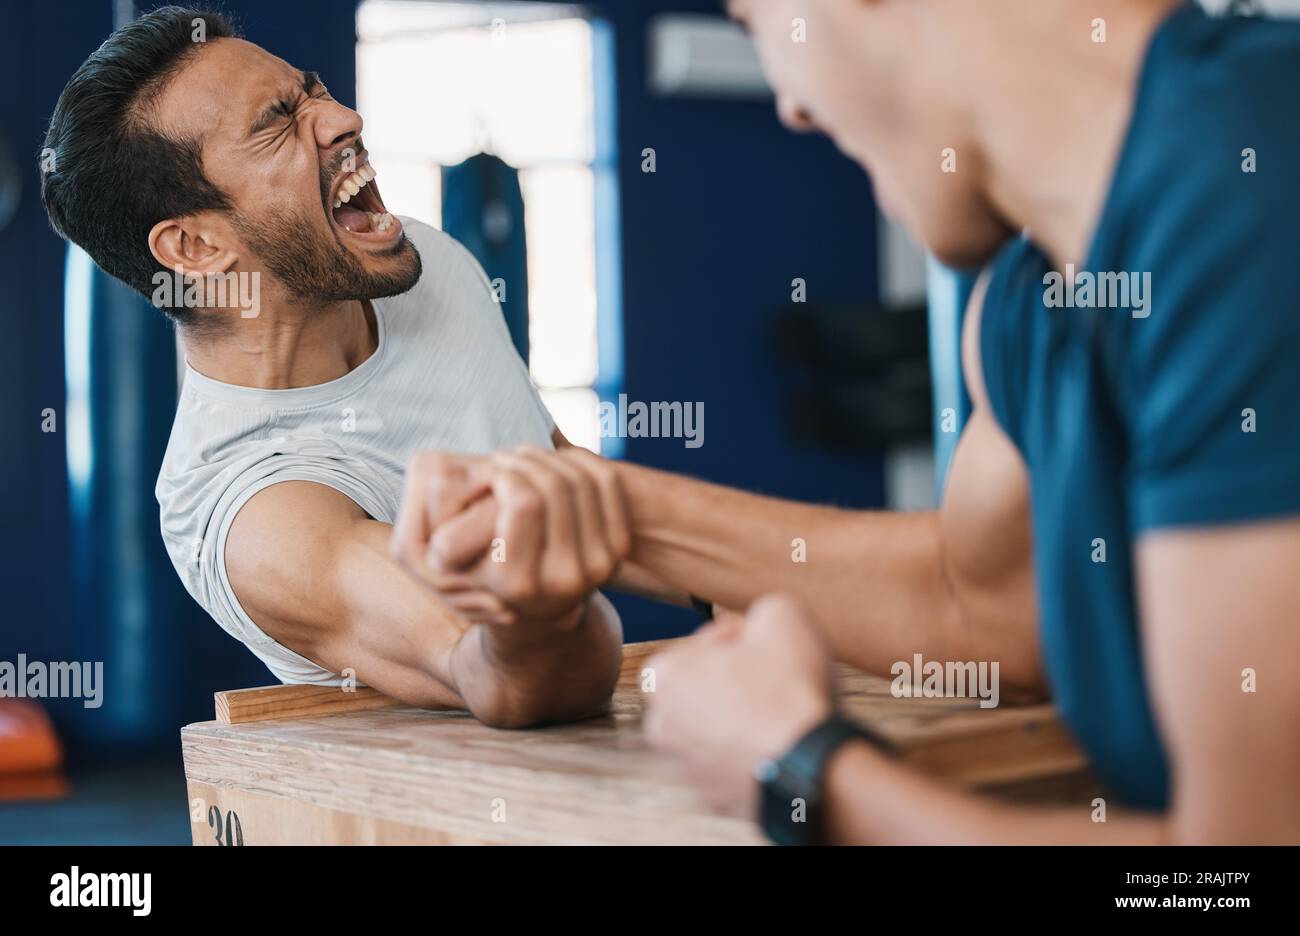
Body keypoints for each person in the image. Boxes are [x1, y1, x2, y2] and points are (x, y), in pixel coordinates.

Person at [407, 0, 1300, 843]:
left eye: (757, 20)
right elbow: (980, 602)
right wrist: (594, 508)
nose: (792, 106)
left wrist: (805, 772)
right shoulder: (1033, 303)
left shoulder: (1245, 172)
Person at [40, 7, 625, 728]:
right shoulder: (256, 514)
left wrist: (730, 583)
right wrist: (544, 566)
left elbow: (557, 466)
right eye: (278, 122)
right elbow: (509, 675)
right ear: (194, 247)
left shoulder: (427, 264)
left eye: (312, 89)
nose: (344, 117)